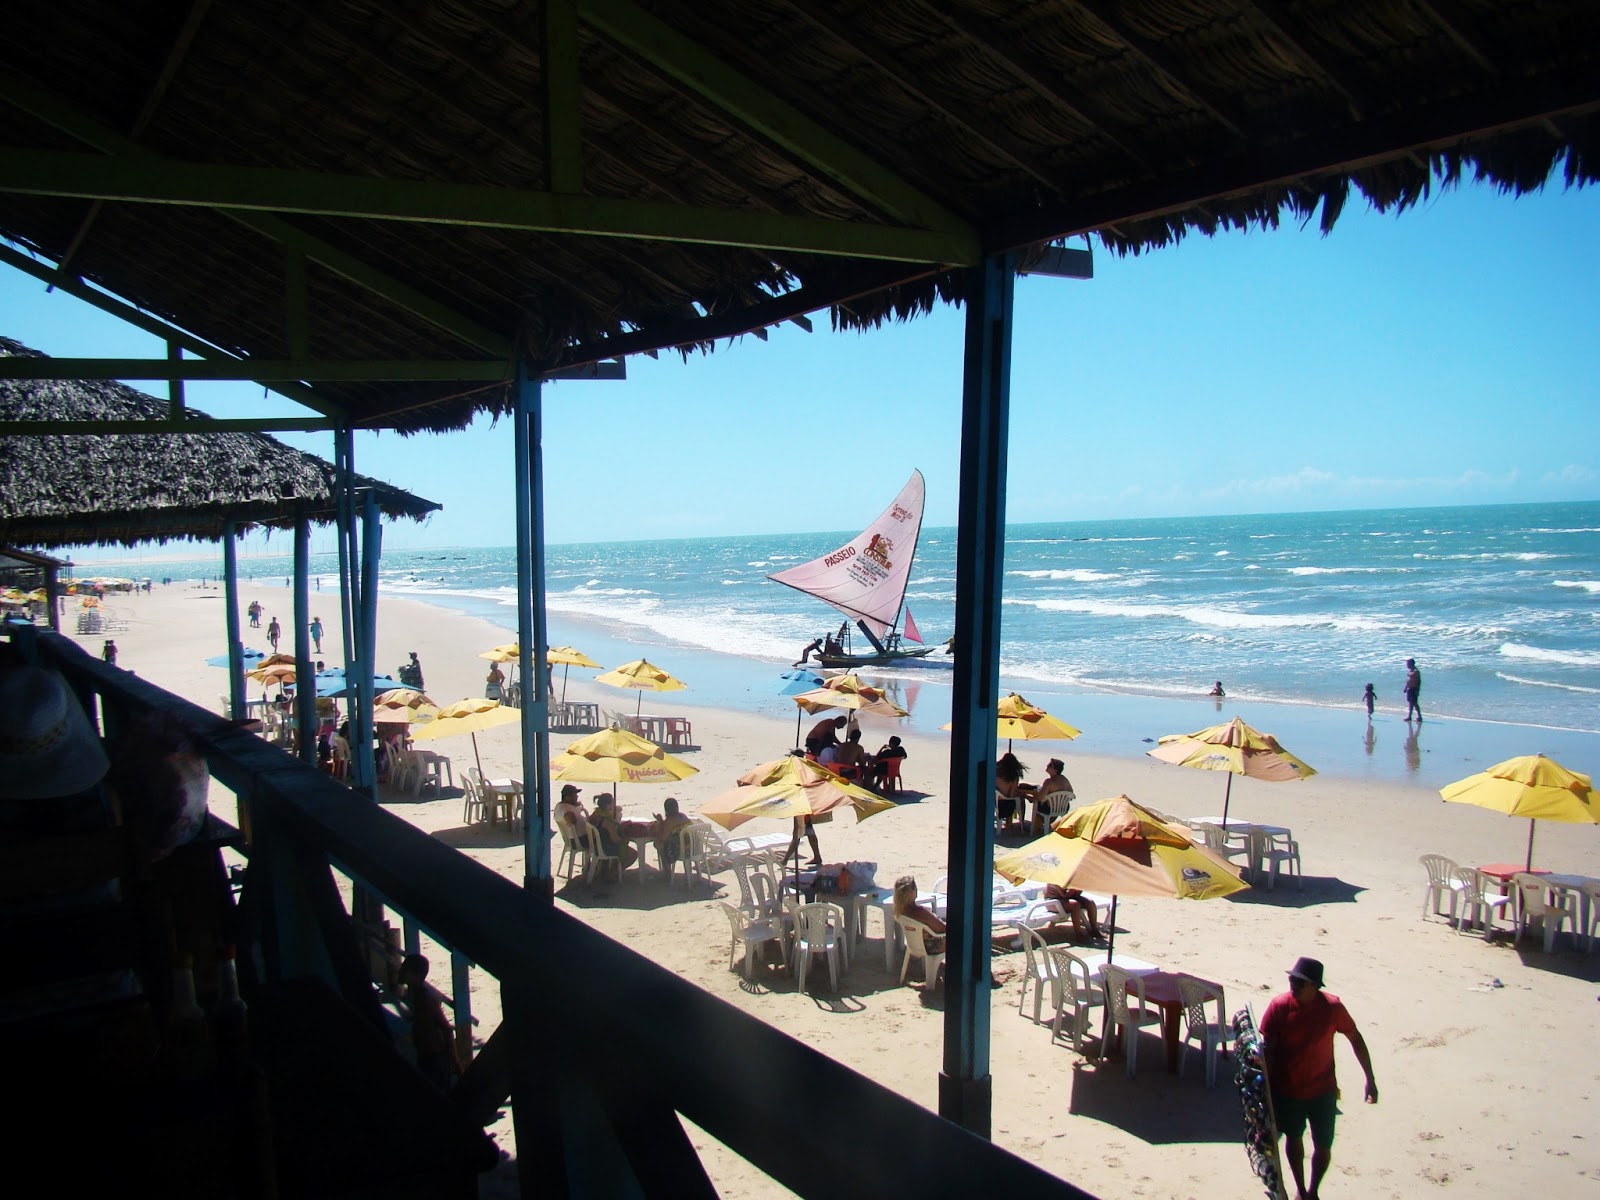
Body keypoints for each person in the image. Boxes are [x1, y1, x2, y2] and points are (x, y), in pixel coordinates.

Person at [1260, 956, 1378, 1200]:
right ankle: (1301, 1190)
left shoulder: (1332, 1008)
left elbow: (1355, 1039)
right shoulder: (1279, 1007)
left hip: (1322, 1091)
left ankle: (1312, 1191)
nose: (1293, 985)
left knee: (1323, 1145)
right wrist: (1265, 1091)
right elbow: (1267, 1050)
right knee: (1293, 1138)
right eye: (1292, 979)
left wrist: (1370, 1079)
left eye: (1300, 982)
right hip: (1288, 1089)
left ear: (1315, 986)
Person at [397, 954, 462, 1092]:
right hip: (427, 1057)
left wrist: (456, 1063)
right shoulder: (416, 995)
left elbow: (446, 1029)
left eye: (405, 968)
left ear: (417, 975)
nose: (400, 970)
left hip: (435, 1059)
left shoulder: (425, 998)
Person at [891, 875, 946, 983]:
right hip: (932, 945)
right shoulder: (920, 912)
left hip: (915, 944)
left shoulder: (901, 911)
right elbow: (942, 929)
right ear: (911, 893)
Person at [588, 793, 637, 876]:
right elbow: (616, 839)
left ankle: (611, 869)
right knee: (633, 854)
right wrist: (626, 840)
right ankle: (615, 873)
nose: (614, 804)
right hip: (605, 848)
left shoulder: (596, 813)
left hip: (596, 845)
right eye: (613, 802)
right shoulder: (607, 821)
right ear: (608, 805)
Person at [1032, 757, 1074, 833]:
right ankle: (1046, 825)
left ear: (1055, 770)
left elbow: (1040, 798)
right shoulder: (1064, 779)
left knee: (1036, 803)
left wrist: (1028, 797)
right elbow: (1071, 792)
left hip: (1049, 809)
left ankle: (1035, 829)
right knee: (1044, 804)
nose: (1047, 765)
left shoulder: (1049, 782)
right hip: (1063, 807)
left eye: (1050, 765)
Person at [653, 796, 694, 867]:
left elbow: (663, 838)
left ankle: (667, 873)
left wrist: (659, 823)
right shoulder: (682, 816)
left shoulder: (669, 821)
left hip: (683, 850)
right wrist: (663, 822)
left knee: (660, 845)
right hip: (694, 847)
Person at [994, 751, 1029, 832]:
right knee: (1021, 801)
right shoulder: (1013, 776)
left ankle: (1009, 823)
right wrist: (1021, 794)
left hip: (995, 802)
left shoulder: (996, 773)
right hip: (1006, 804)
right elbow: (1012, 795)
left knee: (1020, 796)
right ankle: (1021, 823)